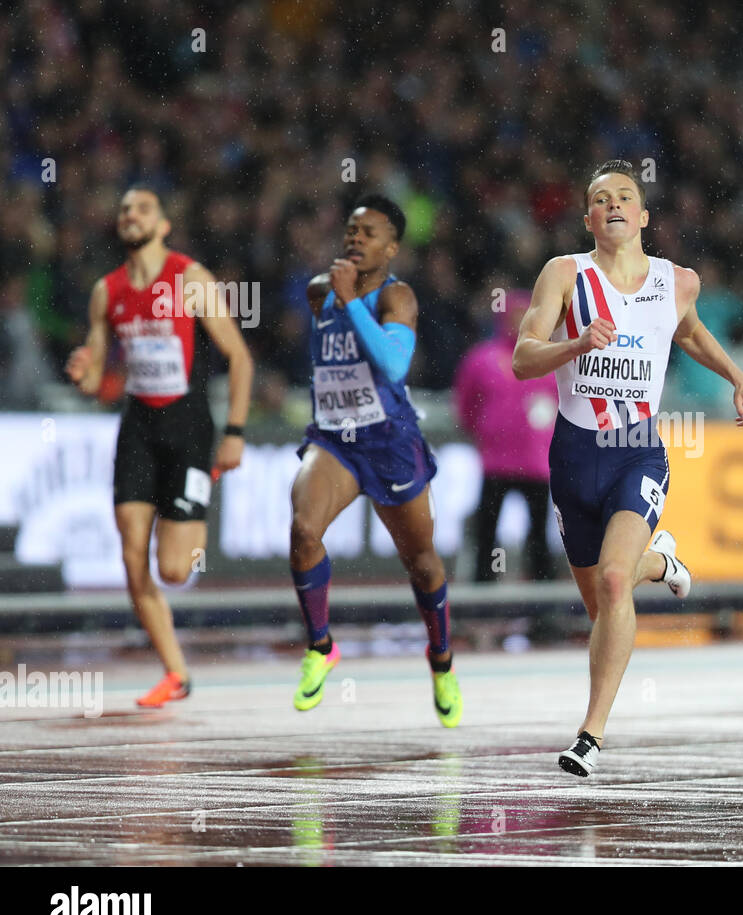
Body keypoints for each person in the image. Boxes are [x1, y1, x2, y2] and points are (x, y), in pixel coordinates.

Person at [513, 160, 743, 776]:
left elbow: (690, 335)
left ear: (645, 216)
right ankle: (665, 561)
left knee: (612, 582)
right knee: (603, 606)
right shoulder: (564, 274)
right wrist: (576, 344)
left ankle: (589, 737)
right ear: (589, 219)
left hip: (638, 451)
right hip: (573, 458)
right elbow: (522, 359)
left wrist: (738, 377)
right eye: (601, 199)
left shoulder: (677, 282)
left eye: (626, 196)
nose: (614, 205)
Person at [65, 185, 253, 707]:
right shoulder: (108, 291)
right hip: (139, 426)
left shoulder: (190, 279)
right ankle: (176, 672)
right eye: (123, 209)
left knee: (175, 568)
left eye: (142, 208)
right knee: (130, 552)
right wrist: (84, 371)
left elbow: (239, 357)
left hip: (190, 426)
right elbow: (97, 374)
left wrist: (234, 433)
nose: (130, 215)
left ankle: (193, 507)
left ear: (164, 224)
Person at [287, 195, 462, 726]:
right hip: (336, 440)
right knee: (302, 529)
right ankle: (321, 646)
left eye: (369, 232)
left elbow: (391, 365)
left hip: (389, 441)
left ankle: (441, 659)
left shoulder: (398, 297)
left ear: (391, 248)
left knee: (422, 561)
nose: (355, 238)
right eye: (351, 229)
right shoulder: (319, 292)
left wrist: (352, 303)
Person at [453, 289, 557, 582]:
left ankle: (544, 602)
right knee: (487, 532)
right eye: (515, 315)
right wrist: (488, 435)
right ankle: (484, 595)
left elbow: (564, 407)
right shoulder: (482, 359)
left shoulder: (549, 359)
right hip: (496, 462)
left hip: (536, 465)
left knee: (538, 534)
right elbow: (465, 406)